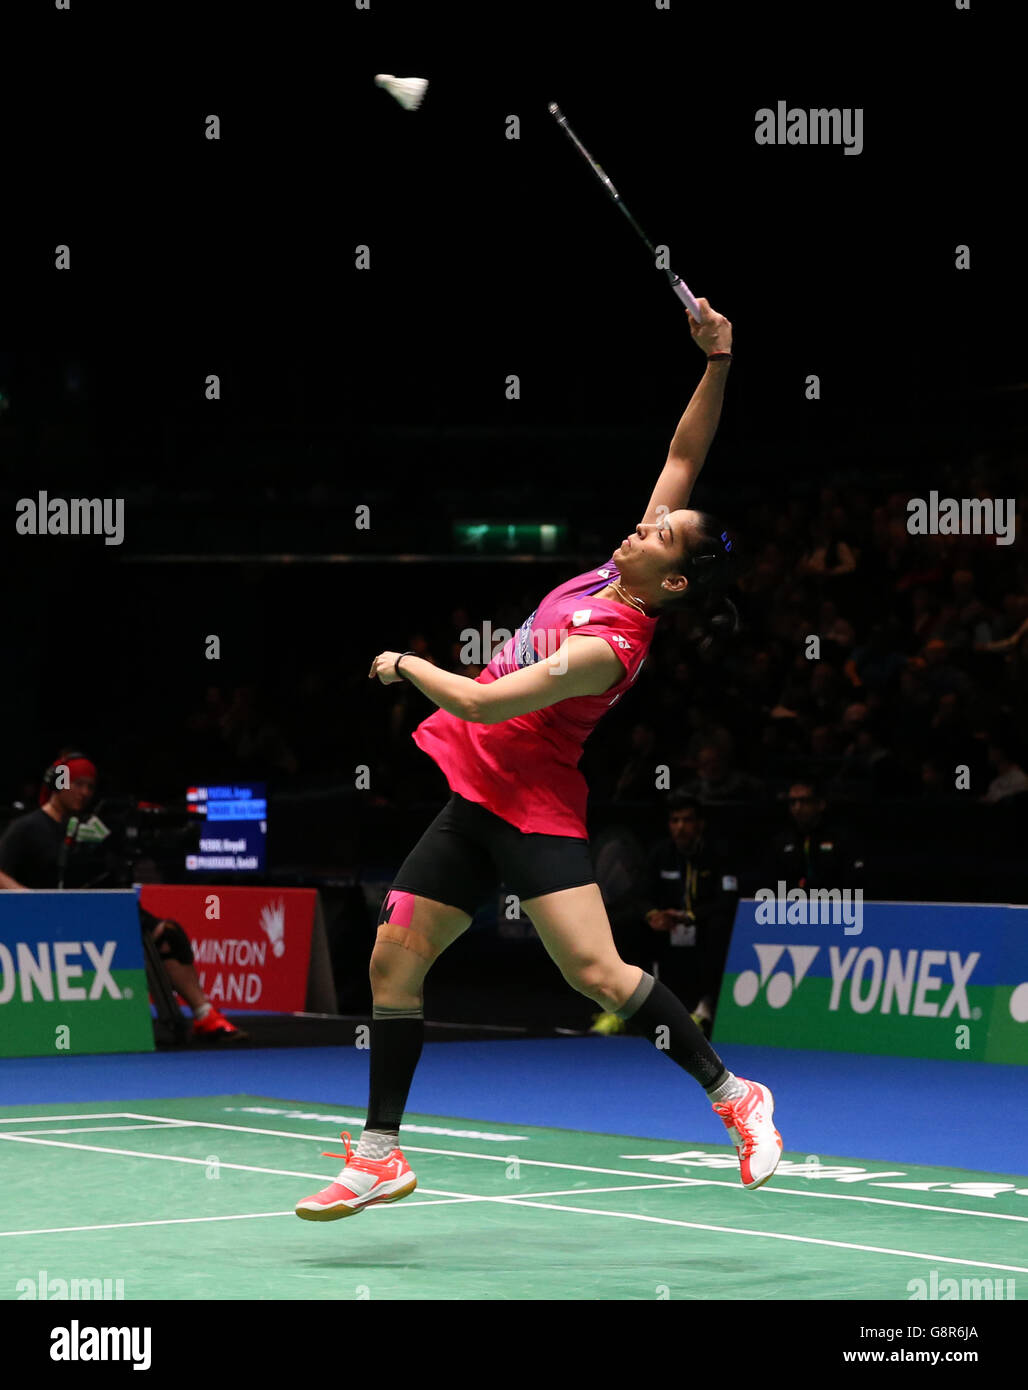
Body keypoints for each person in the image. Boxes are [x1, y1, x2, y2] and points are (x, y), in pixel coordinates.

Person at [294, 300, 783, 1223]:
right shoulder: (620, 564)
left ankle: (734, 1095)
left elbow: (481, 701)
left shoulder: (614, 644)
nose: (646, 524)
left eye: (660, 536)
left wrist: (406, 664)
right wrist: (718, 360)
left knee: (596, 975)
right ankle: (379, 1156)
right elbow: (684, 456)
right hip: (478, 792)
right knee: (394, 964)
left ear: (671, 583)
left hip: (532, 804)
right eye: (654, 522)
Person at [0, 751, 246, 1042]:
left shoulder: (93, 830)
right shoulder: (26, 828)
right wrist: (29, 897)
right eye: (77, 784)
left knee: (169, 935)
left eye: (90, 786)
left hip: (91, 912)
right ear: (58, 782)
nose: (85, 792)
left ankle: (205, 1015)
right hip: (40, 922)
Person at [635, 793, 738, 1039]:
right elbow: (640, 894)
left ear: (700, 824)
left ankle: (706, 1007)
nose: (680, 827)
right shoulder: (660, 854)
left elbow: (727, 901)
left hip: (702, 925)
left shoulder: (718, 853)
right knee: (629, 925)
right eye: (674, 821)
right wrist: (653, 916)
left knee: (720, 925)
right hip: (667, 927)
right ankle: (632, 1008)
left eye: (687, 820)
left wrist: (689, 916)